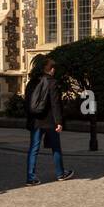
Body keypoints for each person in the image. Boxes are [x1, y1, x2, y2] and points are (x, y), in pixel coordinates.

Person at [24, 55, 73, 186]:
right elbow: (56, 104)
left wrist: (29, 119)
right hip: (50, 122)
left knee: (33, 149)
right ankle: (60, 173)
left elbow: (27, 103)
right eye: (53, 69)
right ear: (50, 69)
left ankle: (31, 177)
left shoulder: (31, 83)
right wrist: (59, 122)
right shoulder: (52, 82)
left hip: (36, 121)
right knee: (56, 148)